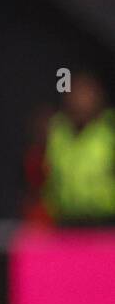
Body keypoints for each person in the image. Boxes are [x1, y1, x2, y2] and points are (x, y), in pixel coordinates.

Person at [44, 71, 115, 225]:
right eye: (76, 92)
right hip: (65, 222)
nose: (81, 99)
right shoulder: (56, 130)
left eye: (86, 93)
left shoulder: (110, 129)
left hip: (105, 223)